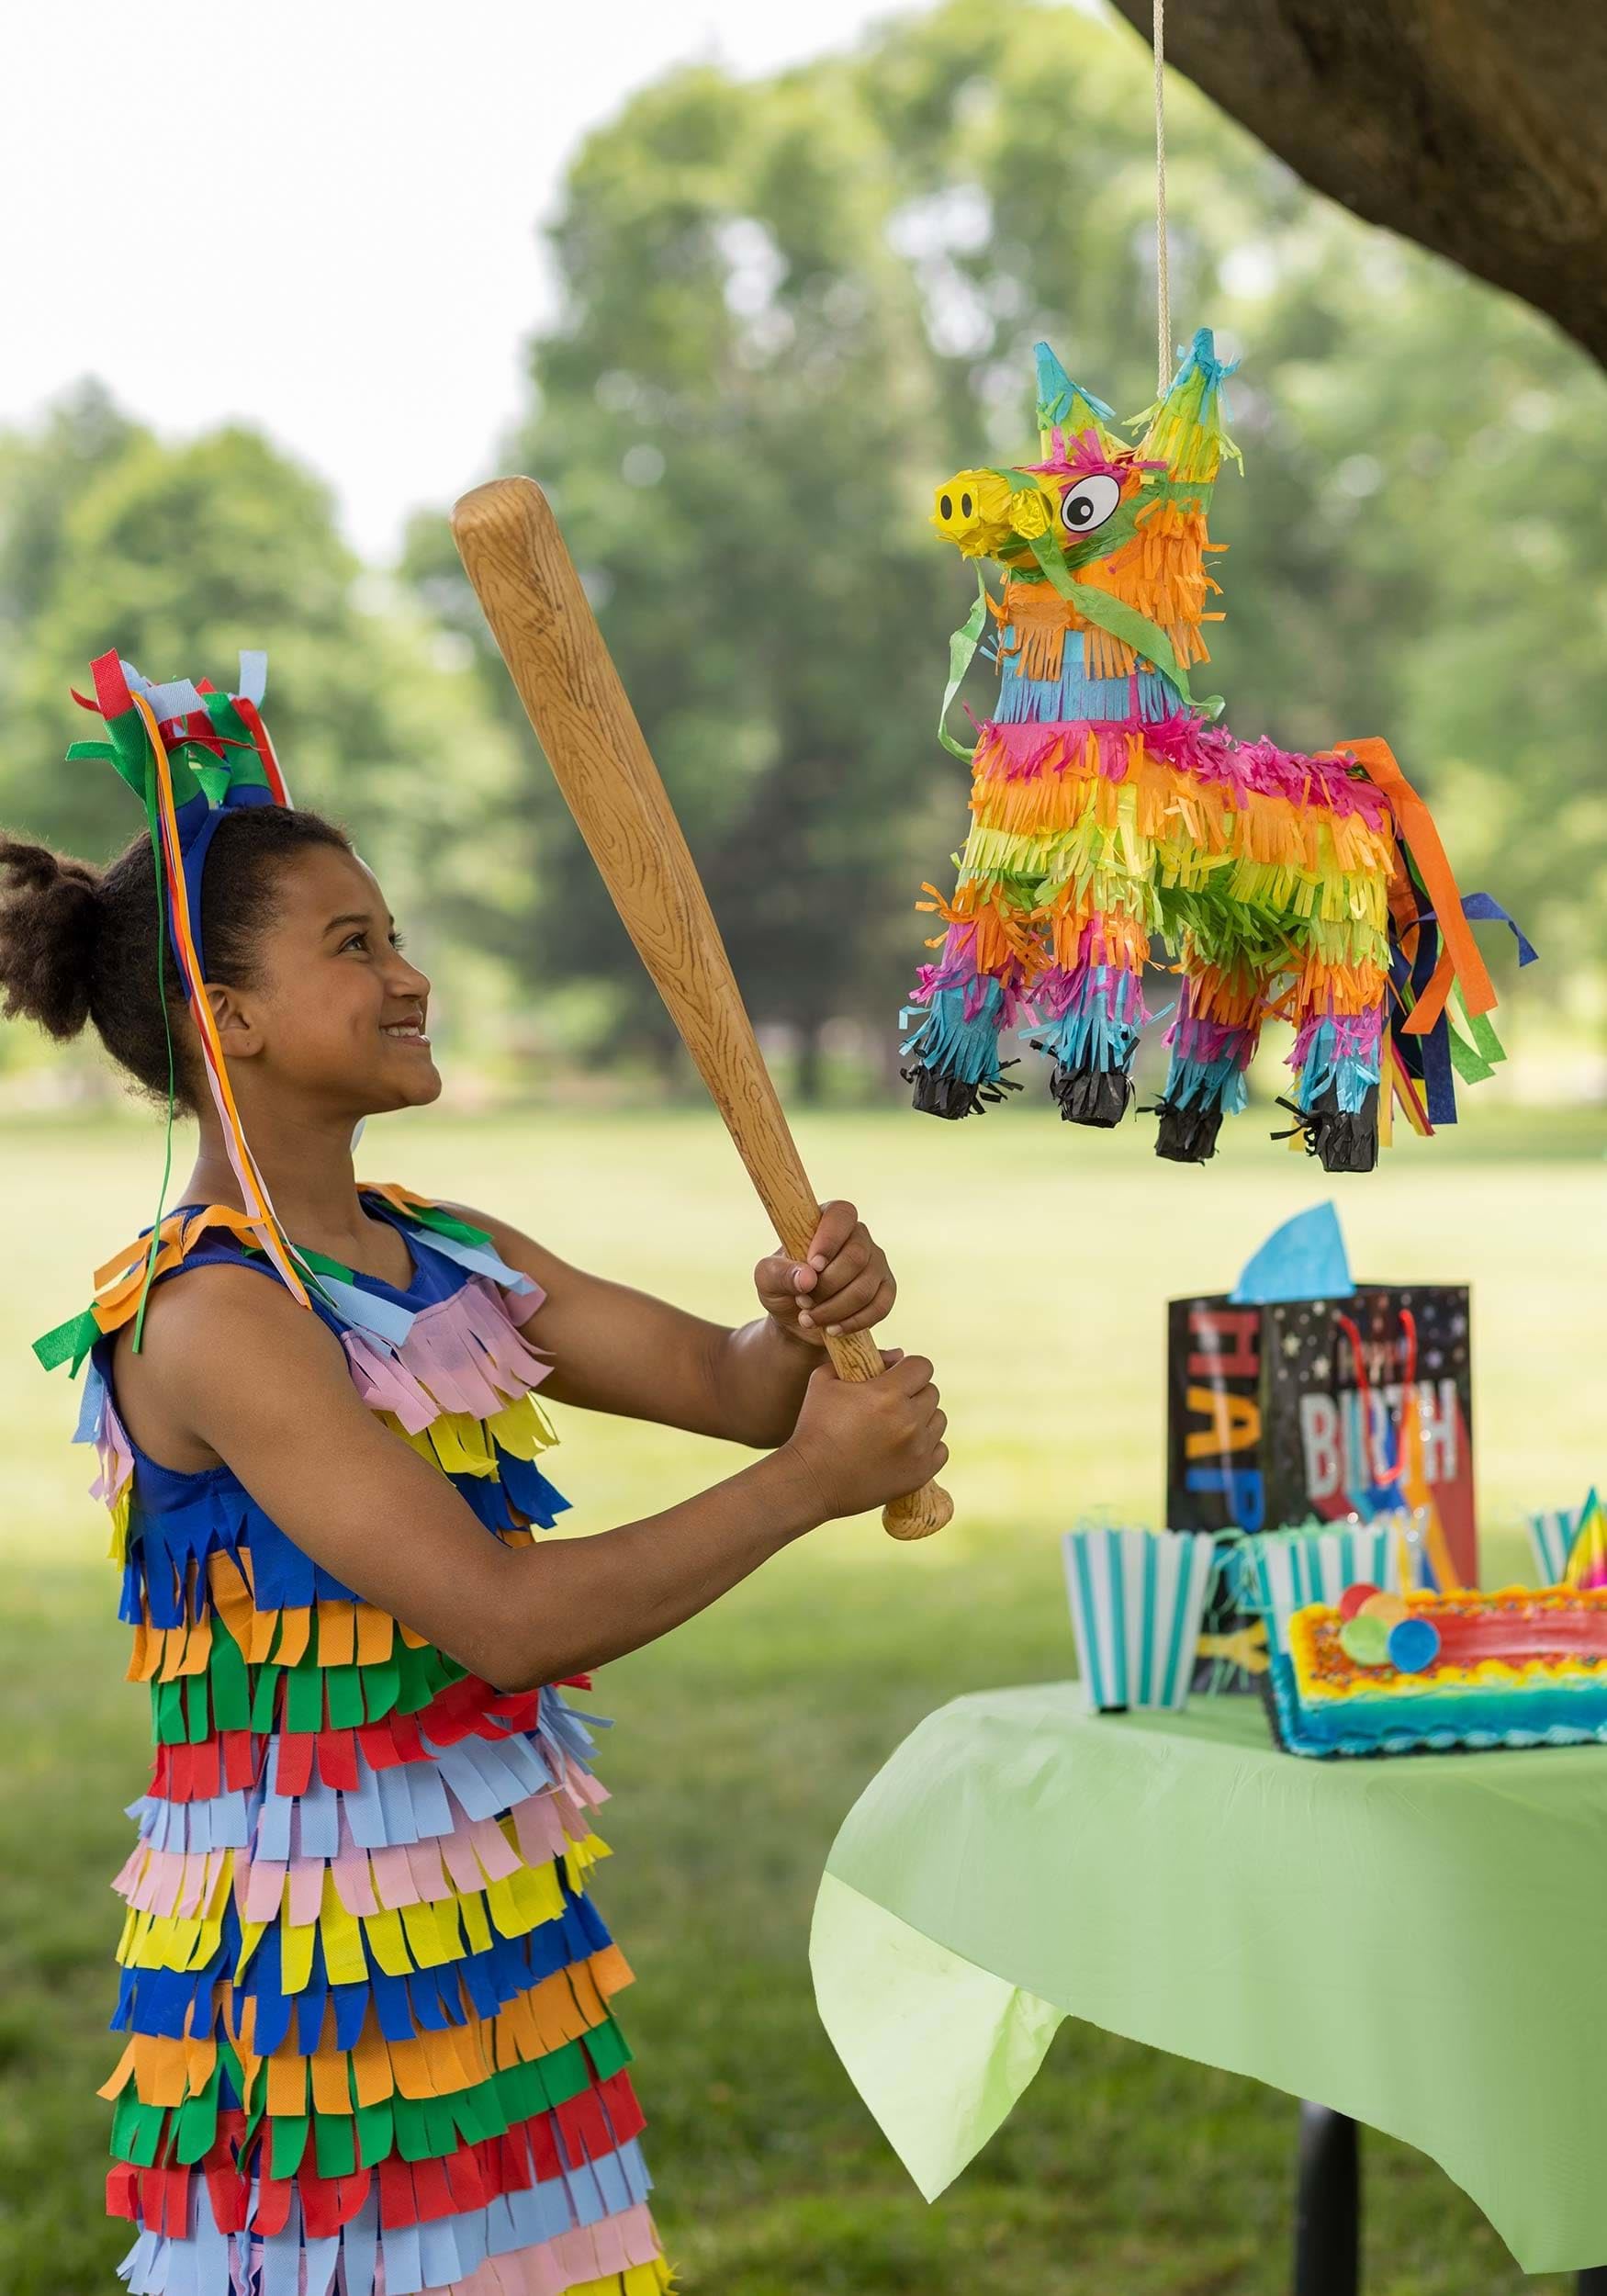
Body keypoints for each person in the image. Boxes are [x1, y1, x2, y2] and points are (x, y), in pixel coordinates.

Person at [0, 654, 946, 2296]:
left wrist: (797, 1320)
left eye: (398, 934)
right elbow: (501, 1620)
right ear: (227, 1020)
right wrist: (811, 1486)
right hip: (314, 2021)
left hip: (491, 1958)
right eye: (353, 946)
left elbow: (726, 1390)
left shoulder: (444, 1252)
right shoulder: (212, 1315)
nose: (409, 974)